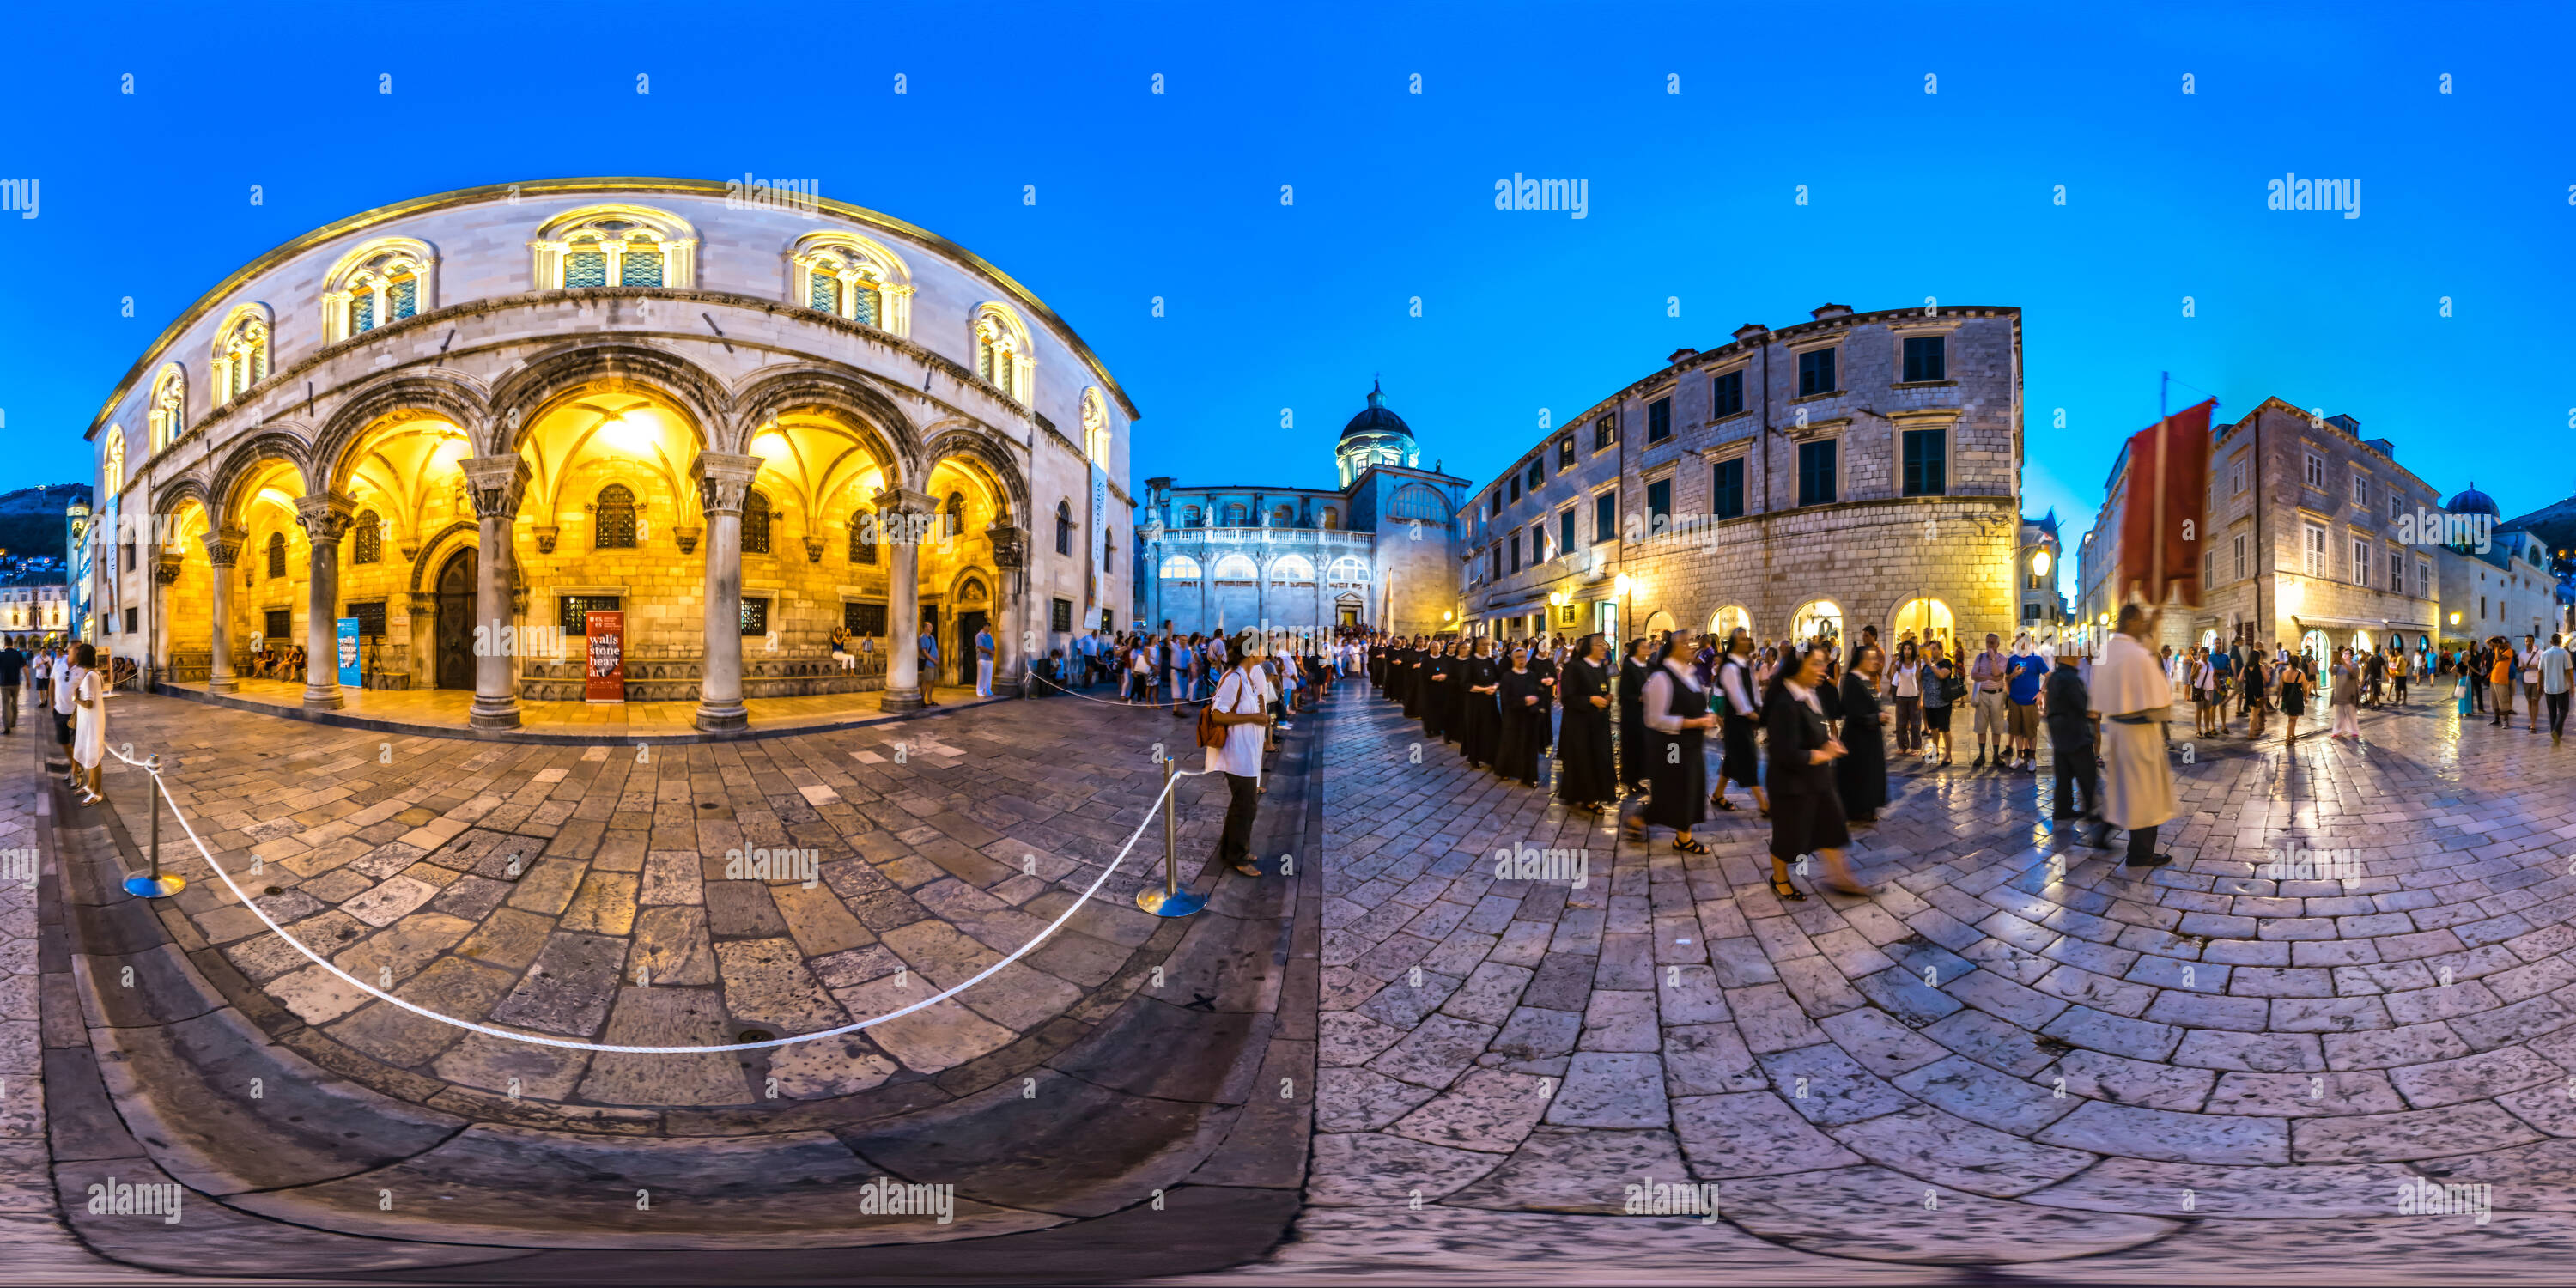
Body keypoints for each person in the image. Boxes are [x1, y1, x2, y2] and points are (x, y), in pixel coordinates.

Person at [1765, 642, 1868, 898]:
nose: (1823, 669)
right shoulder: (1785, 704)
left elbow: (1812, 733)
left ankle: (1841, 878)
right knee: (1790, 837)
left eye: (1824, 662)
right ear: (1798, 666)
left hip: (1817, 777)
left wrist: (1828, 743)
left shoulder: (1810, 694)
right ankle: (1779, 879)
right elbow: (1785, 753)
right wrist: (1825, 753)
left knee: (1832, 826)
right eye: (1816, 663)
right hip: (1791, 783)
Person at [2089, 603, 2175, 868]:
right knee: (2147, 796)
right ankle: (2141, 854)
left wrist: (2153, 628)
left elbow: (2096, 699)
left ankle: (2104, 831)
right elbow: (2161, 700)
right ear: (2133, 623)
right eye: (2141, 623)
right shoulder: (2136, 655)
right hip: (2141, 735)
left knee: (2123, 790)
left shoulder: (2108, 650)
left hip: (2118, 732)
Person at [1626, 631, 1716, 854]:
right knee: (1672, 788)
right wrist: (1694, 723)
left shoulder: (1689, 674)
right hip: (1671, 746)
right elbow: (1655, 719)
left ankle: (1684, 839)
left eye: (1689, 642)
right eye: (1683, 642)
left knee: (1689, 787)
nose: (1689, 646)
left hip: (1691, 744)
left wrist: (1707, 715)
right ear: (1672, 648)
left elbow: (1694, 703)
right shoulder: (1661, 678)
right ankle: (1638, 821)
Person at [1205, 633, 1275, 878]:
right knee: (1246, 806)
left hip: (1247, 751)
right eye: (1262, 646)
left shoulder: (1245, 677)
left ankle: (1230, 849)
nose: (1265, 650)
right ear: (1251, 650)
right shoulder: (1234, 678)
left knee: (1241, 805)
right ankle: (1237, 856)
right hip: (1236, 754)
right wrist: (1254, 718)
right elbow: (1217, 714)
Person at [1555, 635, 1618, 811]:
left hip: (1599, 724)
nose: (1603, 647)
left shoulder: (1600, 668)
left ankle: (1592, 794)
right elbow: (1568, 698)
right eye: (1599, 644)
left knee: (1599, 759)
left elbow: (1601, 689)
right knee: (1585, 761)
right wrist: (1591, 700)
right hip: (1581, 726)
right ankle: (1588, 798)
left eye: (1604, 644)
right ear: (1589, 648)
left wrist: (1606, 699)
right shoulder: (1574, 667)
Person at [1711, 632, 1768, 816]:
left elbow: (1753, 689)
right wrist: (1750, 714)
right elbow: (1736, 695)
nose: (1747, 641)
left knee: (1732, 760)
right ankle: (1764, 805)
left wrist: (1759, 708)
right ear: (1735, 643)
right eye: (1743, 639)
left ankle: (1717, 795)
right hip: (1737, 721)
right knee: (1748, 759)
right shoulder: (1729, 667)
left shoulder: (1746, 664)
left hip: (1747, 719)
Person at [2044, 650, 2099, 826]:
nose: (2078, 659)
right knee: (2088, 773)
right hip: (2075, 731)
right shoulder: (2071, 679)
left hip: (2058, 732)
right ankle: (2091, 811)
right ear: (2069, 657)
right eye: (2075, 656)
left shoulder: (2055, 677)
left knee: (2064, 773)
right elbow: (2080, 703)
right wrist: (2090, 713)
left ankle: (2062, 809)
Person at [1837, 643, 1888, 824]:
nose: (1875, 662)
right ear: (1861, 661)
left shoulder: (1866, 679)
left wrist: (1879, 715)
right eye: (1871, 659)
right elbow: (1853, 712)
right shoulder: (1852, 681)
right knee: (1859, 774)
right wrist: (1877, 717)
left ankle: (1867, 808)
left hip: (1869, 737)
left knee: (1869, 774)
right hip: (1857, 739)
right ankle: (1858, 810)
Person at [1494, 645, 1547, 787]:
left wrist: (1536, 700)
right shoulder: (1507, 677)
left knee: (1529, 748)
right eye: (1518, 657)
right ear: (1513, 659)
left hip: (1530, 717)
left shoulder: (1531, 675)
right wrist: (1523, 701)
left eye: (1523, 657)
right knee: (1510, 746)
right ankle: (1505, 770)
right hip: (1513, 718)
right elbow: (1505, 700)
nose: (1521, 660)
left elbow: (1538, 692)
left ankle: (1529, 777)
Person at [1618, 637, 1655, 797]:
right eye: (1644, 646)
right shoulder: (1629, 666)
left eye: (1648, 646)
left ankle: (1638, 777)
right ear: (1636, 649)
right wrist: (1638, 698)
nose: (1647, 649)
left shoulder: (1648, 666)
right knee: (1632, 746)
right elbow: (1624, 693)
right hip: (1632, 714)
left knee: (1642, 746)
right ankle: (1630, 779)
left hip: (1645, 713)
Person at [70, 643, 106, 805]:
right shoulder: (91, 674)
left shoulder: (91, 676)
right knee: (88, 753)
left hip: (92, 721)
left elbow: (89, 703)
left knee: (93, 756)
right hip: (88, 721)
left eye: (78, 654)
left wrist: (75, 698)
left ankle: (98, 792)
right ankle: (91, 785)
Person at [1969, 633, 2009, 768]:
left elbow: (1998, 674)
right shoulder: (1980, 658)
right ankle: (1981, 755)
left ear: (1998, 644)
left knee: (1997, 726)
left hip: (1997, 695)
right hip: (1983, 694)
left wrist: (1992, 659)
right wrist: (1990, 677)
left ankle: (1996, 756)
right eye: (1988, 642)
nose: (1989, 645)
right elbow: (1974, 675)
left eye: (1992, 643)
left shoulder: (2002, 659)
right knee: (1981, 726)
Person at [2006, 636, 2046, 769]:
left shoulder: (2036, 659)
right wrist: (2014, 675)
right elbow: (2007, 679)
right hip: (2015, 700)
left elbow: (2049, 676)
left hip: (2030, 701)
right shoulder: (2012, 660)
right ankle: (2019, 758)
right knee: (2016, 730)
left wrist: (2041, 692)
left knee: (2031, 731)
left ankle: (2033, 759)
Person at [1461, 639, 1502, 770]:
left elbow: (1498, 678)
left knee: (1492, 729)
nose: (1486, 647)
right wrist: (1484, 689)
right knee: (1476, 729)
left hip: (1489, 702)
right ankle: (1474, 757)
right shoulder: (1470, 662)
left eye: (1487, 645)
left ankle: (1491, 757)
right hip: (1475, 703)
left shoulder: (1490, 661)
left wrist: (1495, 687)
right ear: (1476, 647)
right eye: (1483, 645)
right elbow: (1466, 684)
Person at [1920, 639, 1957, 766]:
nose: (1932, 651)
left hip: (1943, 702)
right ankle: (1934, 752)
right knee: (1933, 728)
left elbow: (1941, 675)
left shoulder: (1946, 662)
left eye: (1934, 648)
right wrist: (1917, 664)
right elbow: (1919, 679)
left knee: (1945, 728)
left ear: (1941, 650)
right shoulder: (1925, 664)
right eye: (1930, 649)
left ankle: (1948, 755)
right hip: (1929, 702)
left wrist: (1930, 664)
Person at [1889, 639, 1922, 758]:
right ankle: (1902, 747)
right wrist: (1893, 663)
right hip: (1901, 696)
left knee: (1916, 723)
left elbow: (1919, 680)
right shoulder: (1899, 663)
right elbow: (1892, 676)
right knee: (1901, 723)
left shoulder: (1917, 662)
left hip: (1914, 696)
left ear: (1912, 650)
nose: (1907, 651)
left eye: (1909, 649)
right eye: (1905, 649)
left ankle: (1915, 747)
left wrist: (1921, 699)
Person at [2539, 633, 2572, 746]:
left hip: (2548, 688)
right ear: (2561, 642)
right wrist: (2572, 685)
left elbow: (2540, 671)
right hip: (2562, 687)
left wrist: (2539, 685)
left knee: (2552, 712)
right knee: (2564, 710)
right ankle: (2556, 730)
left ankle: (2555, 735)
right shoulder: (2564, 653)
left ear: (2551, 642)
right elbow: (2569, 670)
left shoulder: (2544, 654)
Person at [2329, 647, 2362, 739]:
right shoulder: (2339, 666)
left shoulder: (2355, 665)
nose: (2345, 655)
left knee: (2352, 715)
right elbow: (2331, 671)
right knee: (2339, 715)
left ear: (2351, 656)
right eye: (2344, 653)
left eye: (2347, 653)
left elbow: (2355, 674)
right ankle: (2337, 732)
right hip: (2339, 694)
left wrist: (2344, 664)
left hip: (2350, 694)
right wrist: (2332, 662)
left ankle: (2354, 731)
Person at [2279, 650, 2310, 743]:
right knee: (2293, 719)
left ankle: (2293, 735)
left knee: (2292, 718)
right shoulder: (2301, 675)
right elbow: (2304, 689)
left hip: (2287, 697)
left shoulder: (2284, 673)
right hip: (2296, 698)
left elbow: (2281, 687)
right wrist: (2305, 697)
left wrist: (2277, 699)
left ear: (2289, 662)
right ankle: (2288, 738)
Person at [2491, 637, 2518, 728]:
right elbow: (2487, 642)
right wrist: (2494, 639)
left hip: (2502, 679)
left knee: (2504, 701)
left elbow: (2499, 658)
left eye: (2504, 642)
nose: (2502, 643)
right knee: (2494, 701)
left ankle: (2506, 721)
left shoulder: (2509, 651)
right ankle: (2496, 718)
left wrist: (2498, 647)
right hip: (2493, 679)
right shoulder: (2496, 649)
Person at [2523, 635, 2546, 736]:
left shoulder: (2540, 653)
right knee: (2529, 702)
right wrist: (2522, 668)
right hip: (2526, 680)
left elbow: (2543, 666)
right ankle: (2532, 720)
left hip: (2537, 680)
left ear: (2533, 642)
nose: (2529, 643)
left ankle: (2533, 724)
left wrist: (2534, 666)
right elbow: (2520, 666)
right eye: (2527, 641)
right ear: (2525, 642)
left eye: (2530, 641)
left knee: (2535, 701)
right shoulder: (2522, 653)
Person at [0, 639, 21, 735]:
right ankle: (13, 722)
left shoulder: (1, 654)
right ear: (12, 644)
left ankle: (7, 727)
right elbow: (25, 668)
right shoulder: (18, 654)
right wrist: (29, 681)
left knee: (5, 705)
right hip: (16, 683)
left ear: (5, 644)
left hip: (4, 684)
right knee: (15, 703)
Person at [917, 623, 941, 705]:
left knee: (932, 681)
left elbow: (935, 648)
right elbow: (924, 652)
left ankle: (930, 700)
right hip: (927, 663)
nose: (932, 628)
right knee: (926, 681)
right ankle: (922, 701)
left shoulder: (932, 637)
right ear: (925, 628)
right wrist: (934, 661)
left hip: (934, 663)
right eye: (930, 626)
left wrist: (938, 658)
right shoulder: (922, 638)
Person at [974, 622, 996, 698]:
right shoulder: (979, 636)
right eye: (988, 627)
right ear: (984, 626)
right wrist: (990, 651)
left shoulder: (990, 636)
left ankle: (988, 690)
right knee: (981, 676)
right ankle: (979, 691)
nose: (990, 628)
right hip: (982, 658)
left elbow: (993, 646)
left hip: (990, 658)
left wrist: (993, 652)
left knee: (989, 676)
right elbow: (981, 647)